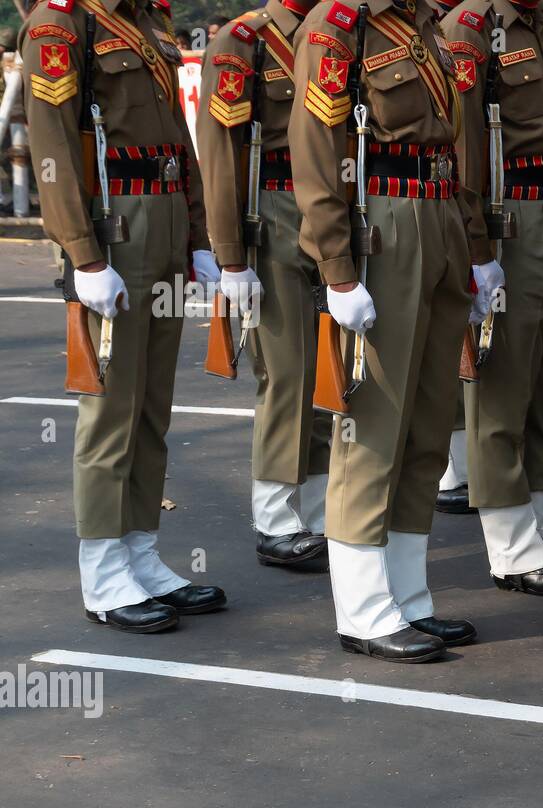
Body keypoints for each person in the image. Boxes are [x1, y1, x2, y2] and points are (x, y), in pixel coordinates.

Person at [24, 0, 228, 633]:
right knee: (112, 410)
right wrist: (83, 255)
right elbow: (52, 144)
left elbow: (178, 134)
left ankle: (142, 555)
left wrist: (198, 232)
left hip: (163, 216)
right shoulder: (62, 22)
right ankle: (105, 572)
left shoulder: (147, 21)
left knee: (150, 407)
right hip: (116, 227)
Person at [289, 0, 477, 662]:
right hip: (384, 231)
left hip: (440, 219)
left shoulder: (426, 24)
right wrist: (337, 271)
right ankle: (364, 610)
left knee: (427, 428)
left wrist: (470, 247)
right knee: (372, 426)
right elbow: (314, 153)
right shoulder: (340, 26)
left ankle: (407, 597)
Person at [445, 0, 543, 596]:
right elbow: (465, 146)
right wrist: (478, 247)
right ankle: (509, 541)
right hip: (512, 216)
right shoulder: (472, 29)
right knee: (503, 385)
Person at [197, 0, 333, 572]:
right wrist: (230, 255)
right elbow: (221, 153)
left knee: (333, 368)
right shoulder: (243, 41)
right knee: (288, 372)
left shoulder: (338, 32)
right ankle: (276, 516)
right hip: (272, 207)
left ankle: (328, 511)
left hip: (336, 207)